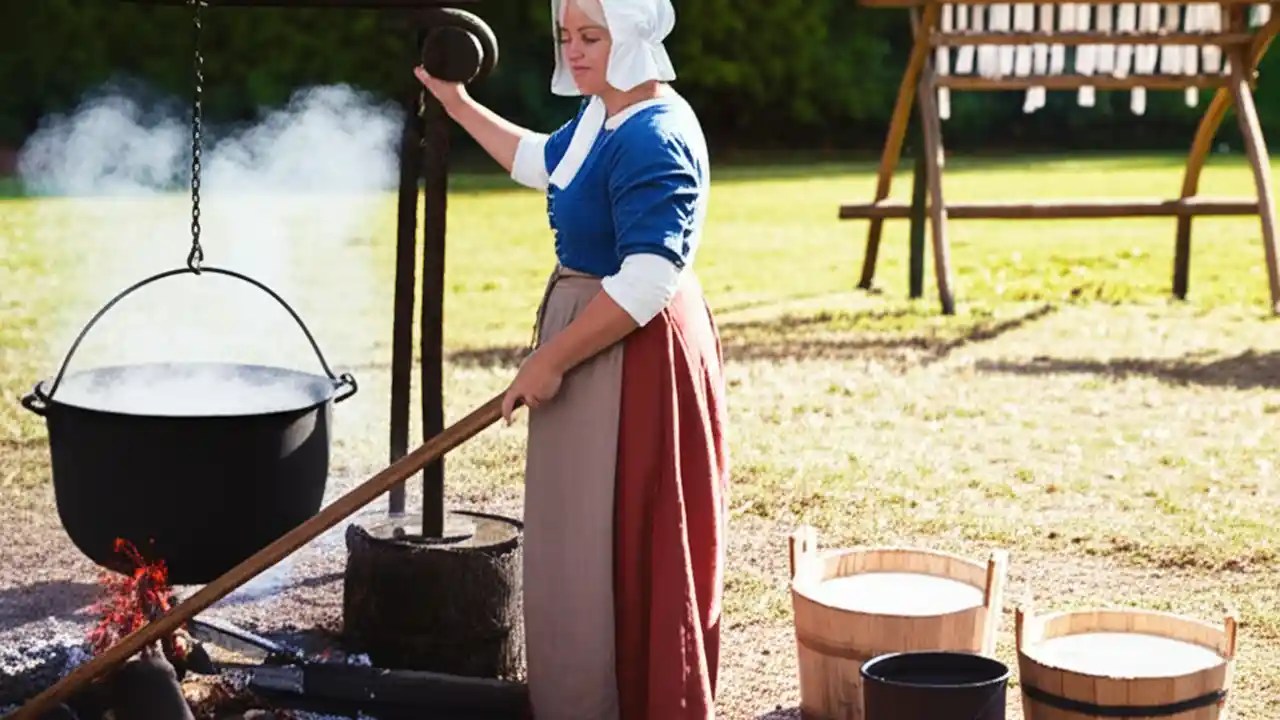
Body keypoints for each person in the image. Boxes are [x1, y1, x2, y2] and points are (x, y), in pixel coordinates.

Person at [414, 0, 728, 718]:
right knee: (581, 536)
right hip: (598, 343)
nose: (576, 51)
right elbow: (539, 161)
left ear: (635, 34)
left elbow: (650, 278)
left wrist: (550, 358)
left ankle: (631, 699)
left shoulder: (653, 134)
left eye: (592, 36)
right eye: (567, 36)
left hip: (633, 356)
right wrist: (456, 104)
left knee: (619, 539)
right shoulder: (602, 114)